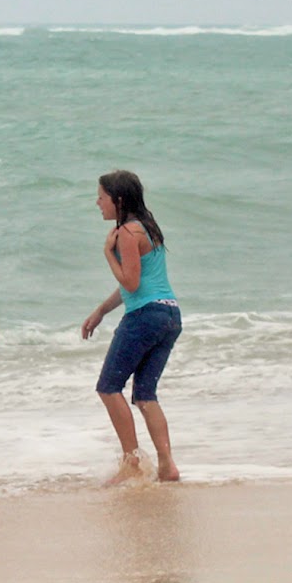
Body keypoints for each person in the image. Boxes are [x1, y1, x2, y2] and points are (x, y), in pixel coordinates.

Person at [81, 170, 182, 484]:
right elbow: (138, 283)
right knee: (145, 394)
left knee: (108, 387)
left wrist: (107, 255)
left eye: (102, 196)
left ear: (119, 199)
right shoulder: (147, 226)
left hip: (145, 317)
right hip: (169, 315)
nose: (97, 202)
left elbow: (131, 282)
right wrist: (101, 310)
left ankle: (132, 462)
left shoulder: (126, 232)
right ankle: (166, 465)